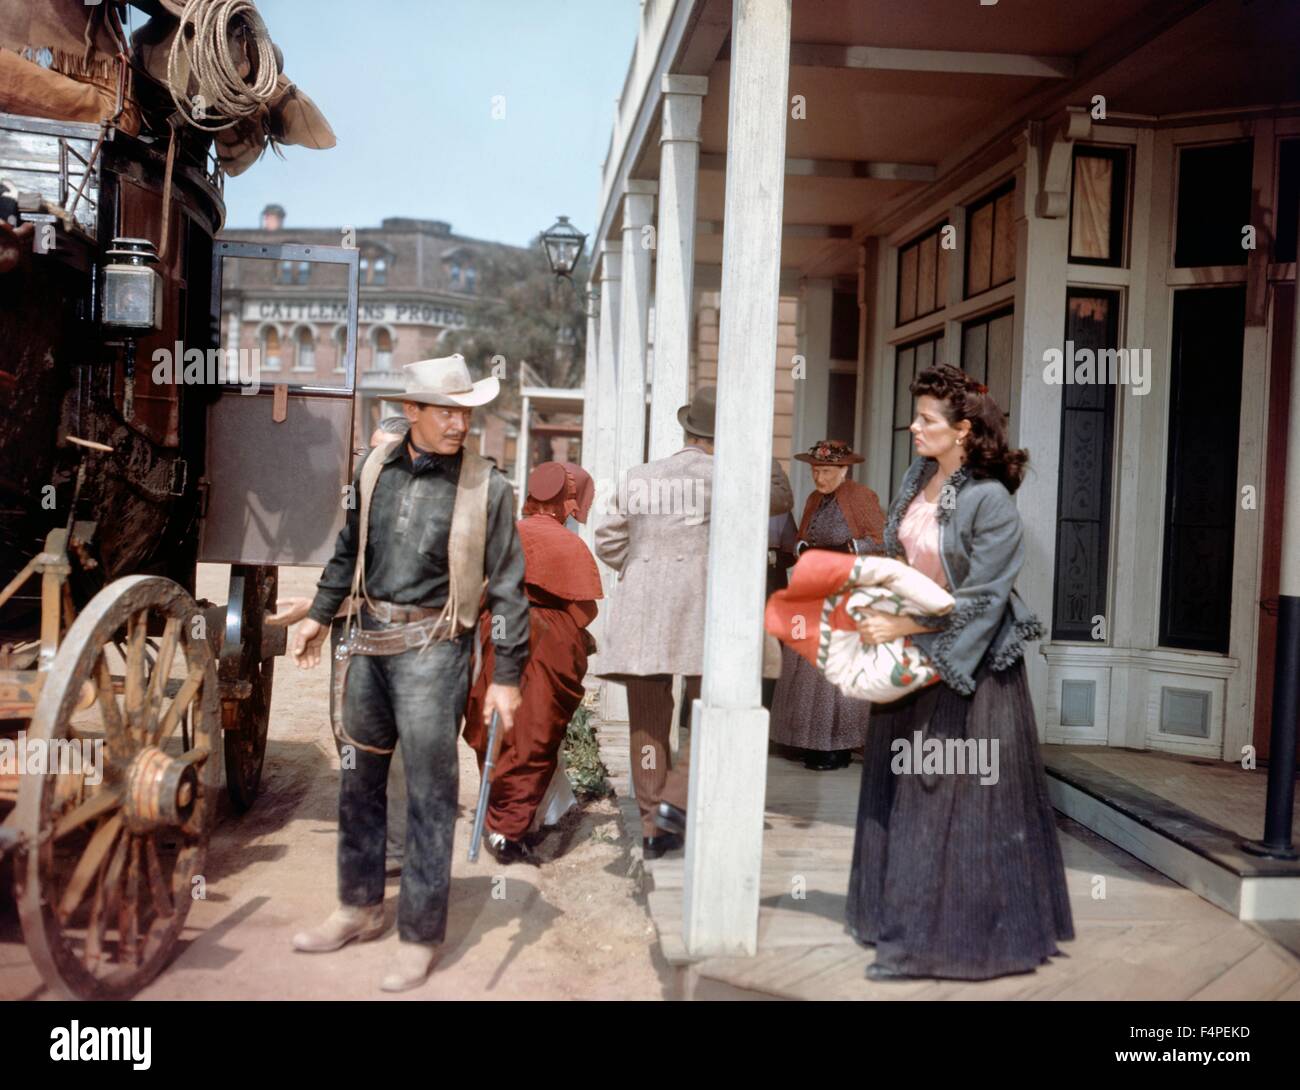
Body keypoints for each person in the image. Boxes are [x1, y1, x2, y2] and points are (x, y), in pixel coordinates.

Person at [288, 354, 529, 992]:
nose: (459, 423)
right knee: (358, 781)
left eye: (465, 411)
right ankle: (359, 908)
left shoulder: (489, 487)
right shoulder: (371, 470)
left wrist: (506, 676)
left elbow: (508, 589)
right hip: (366, 646)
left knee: (428, 794)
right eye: (446, 410)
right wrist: (316, 614)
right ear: (413, 412)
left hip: (435, 651)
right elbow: (348, 549)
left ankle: (420, 936)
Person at [847, 364, 1073, 981]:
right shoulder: (918, 477)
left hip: (968, 668)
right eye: (916, 415)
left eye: (927, 419)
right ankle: (898, 922)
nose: (914, 427)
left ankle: (943, 943)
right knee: (900, 790)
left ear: (964, 431)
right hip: (906, 652)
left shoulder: (990, 501)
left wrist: (909, 630)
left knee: (945, 799)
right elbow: (905, 561)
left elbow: (984, 597)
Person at [594, 385, 794, 858]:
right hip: (709, 609)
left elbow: (607, 541)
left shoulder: (640, 476)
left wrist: (646, 568)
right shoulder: (734, 478)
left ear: (686, 429)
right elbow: (782, 498)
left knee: (648, 719)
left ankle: (651, 824)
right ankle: (688, 807)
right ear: (724, 433)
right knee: (711, 712)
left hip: (645, 609)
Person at [268, 414, 413, 876]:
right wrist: (322, 611)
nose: (370, 462)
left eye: (383, 453)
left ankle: (395, 847)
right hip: (354, 637)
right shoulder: (361, 502)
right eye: (366, 452)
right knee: (348, 731)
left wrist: (313, 610)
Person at [462, 460, 602, 863]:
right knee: (537, 731)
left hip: (498, 631)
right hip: (551, 643)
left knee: (494, 723)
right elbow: (583, 609)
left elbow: (479, 590)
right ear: (569, 502)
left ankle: (502, 817)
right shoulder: (569, 544)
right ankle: (510, 826)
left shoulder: (507, 533)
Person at [769, 440, 885, 770]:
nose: (819, 477)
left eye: (827, 471)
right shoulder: (813, 499)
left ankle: (837, 745)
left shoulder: (861, 496)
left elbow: (884, 541)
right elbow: (801, 539)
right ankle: (805, 739)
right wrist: (802, 545)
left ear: (844, 470)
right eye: (816, 470)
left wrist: (851, 546)